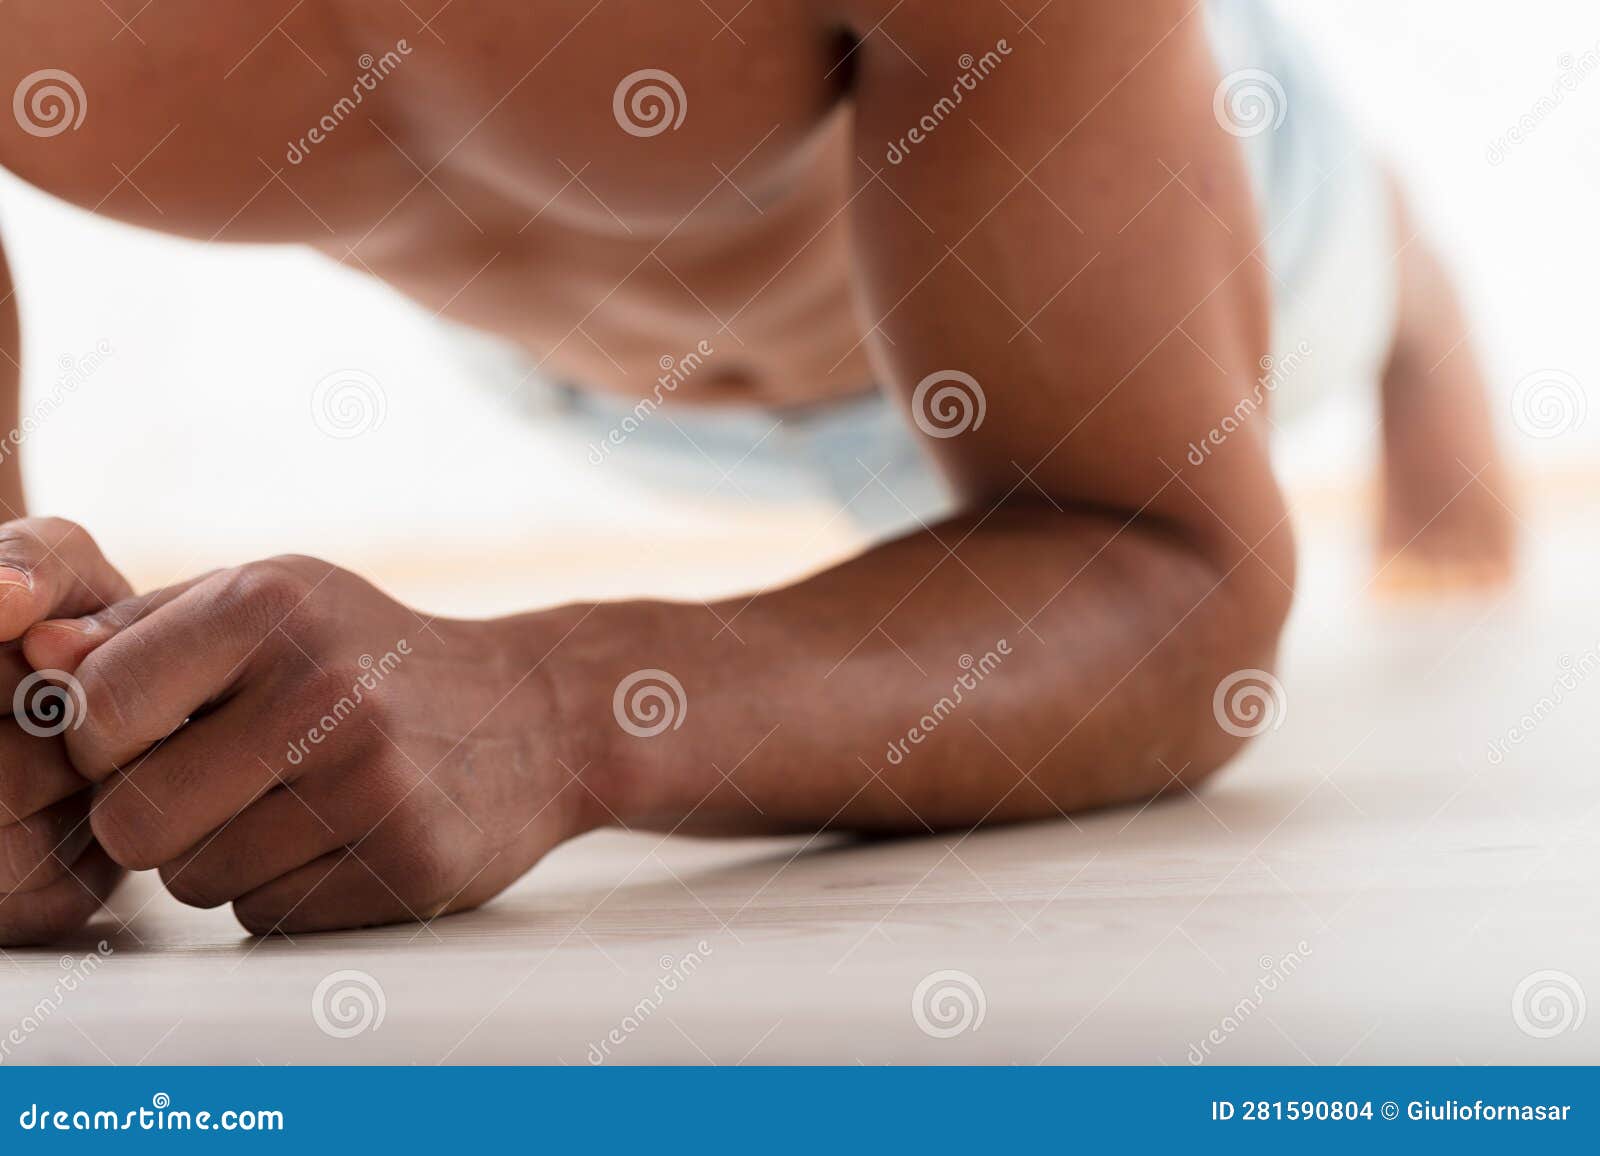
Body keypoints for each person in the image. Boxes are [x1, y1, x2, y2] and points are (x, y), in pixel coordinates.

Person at [0, 0, 1513, 945]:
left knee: (1342, 251)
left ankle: (1418, 298)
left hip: (1203, 258)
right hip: (593, 377)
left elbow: (1169, 572)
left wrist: (559, 709)